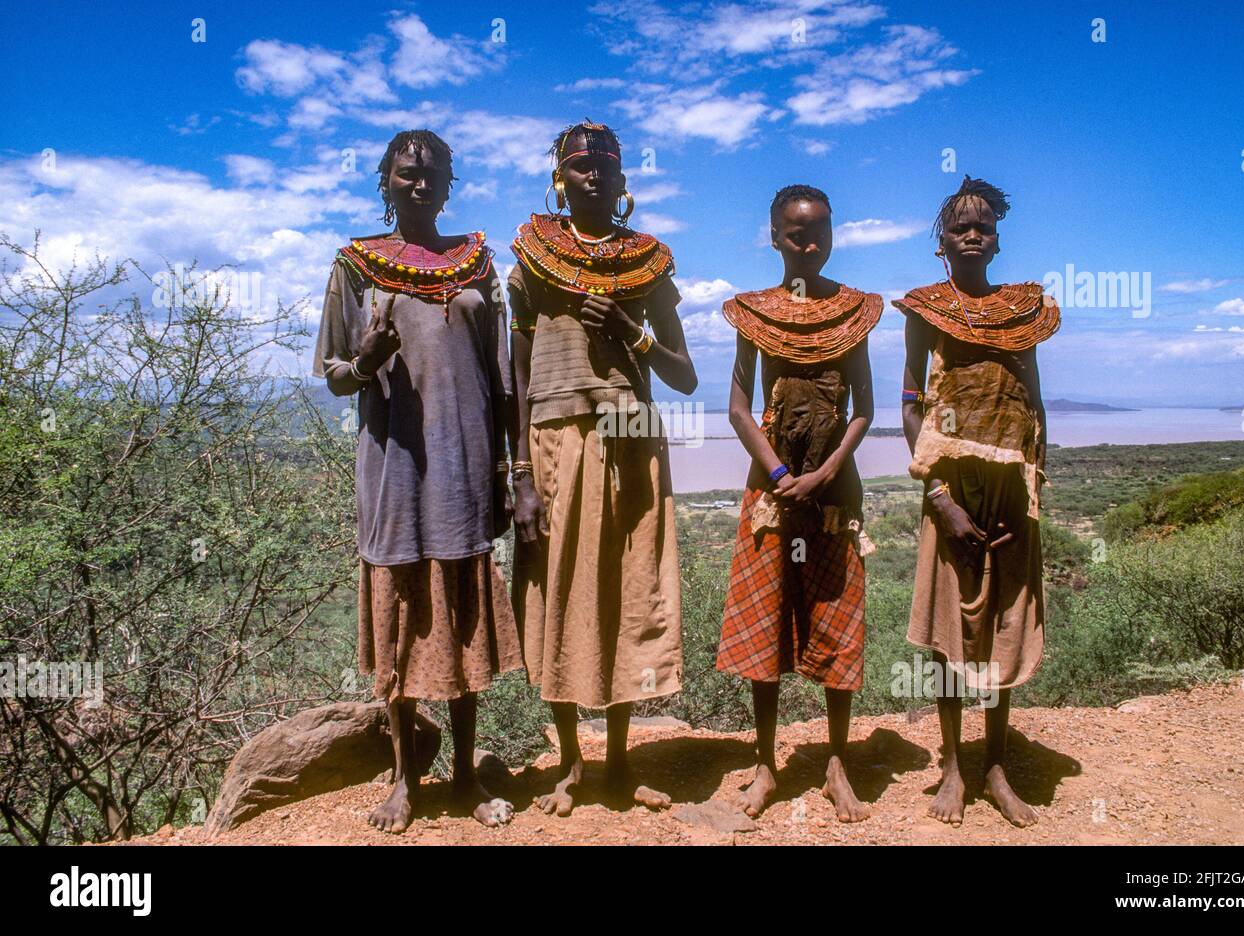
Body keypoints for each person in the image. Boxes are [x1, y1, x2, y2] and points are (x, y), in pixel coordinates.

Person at [313, 130, 522, 833]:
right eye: (406, 173)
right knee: (401, 621)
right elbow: (338, 377)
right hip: (395, 470)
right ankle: (406, 780)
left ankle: (464, 776)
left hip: (463, 466)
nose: (420, 182)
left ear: (450, 182)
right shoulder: (355, 265)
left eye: (433, 172)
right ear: (386, 181)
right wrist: (367, 359)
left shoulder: (477, 263)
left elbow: (503, 381)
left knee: (462, 623)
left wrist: (512, 472)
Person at [508, 120, 697, 816]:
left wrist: (630, 331)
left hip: (632, 436)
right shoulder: (530, 255)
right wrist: (519, 469)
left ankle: (620, 762)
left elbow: (682, 375)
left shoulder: (647, 263)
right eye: (580, 166)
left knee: (626, 588)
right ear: (561, 176)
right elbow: (515, 369)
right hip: (557, 436)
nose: (593, 175)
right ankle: (570, 765)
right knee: (561, 589)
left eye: (606, 167)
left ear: (623, 182)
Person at [894, 175, 1059, 828]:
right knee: (949, 634)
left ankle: (995, 765)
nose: (972, 232)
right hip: (951, 489)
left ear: (996, 239)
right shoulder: (925, 310)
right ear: (942, 239)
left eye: (983, 225)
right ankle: (954, 769)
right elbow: (910, 409)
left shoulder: (1021, 310)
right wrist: (939, 499)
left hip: (1010, 493)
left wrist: (1031, 488)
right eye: (960, 224)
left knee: (1001, 625)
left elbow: (1036, 406)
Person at [715, 184, 881, 822]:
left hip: (835, 493)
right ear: (774, 237)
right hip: (773, 491)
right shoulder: (753, 312)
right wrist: (783, 469)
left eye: (819, 232)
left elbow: (863, 409)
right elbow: (736, 408)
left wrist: (825, 472)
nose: (809, 244)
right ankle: (766, 765)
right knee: (766, 625)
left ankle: (837, 764)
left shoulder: (855, 311)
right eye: (795, 233)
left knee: (837, 624)